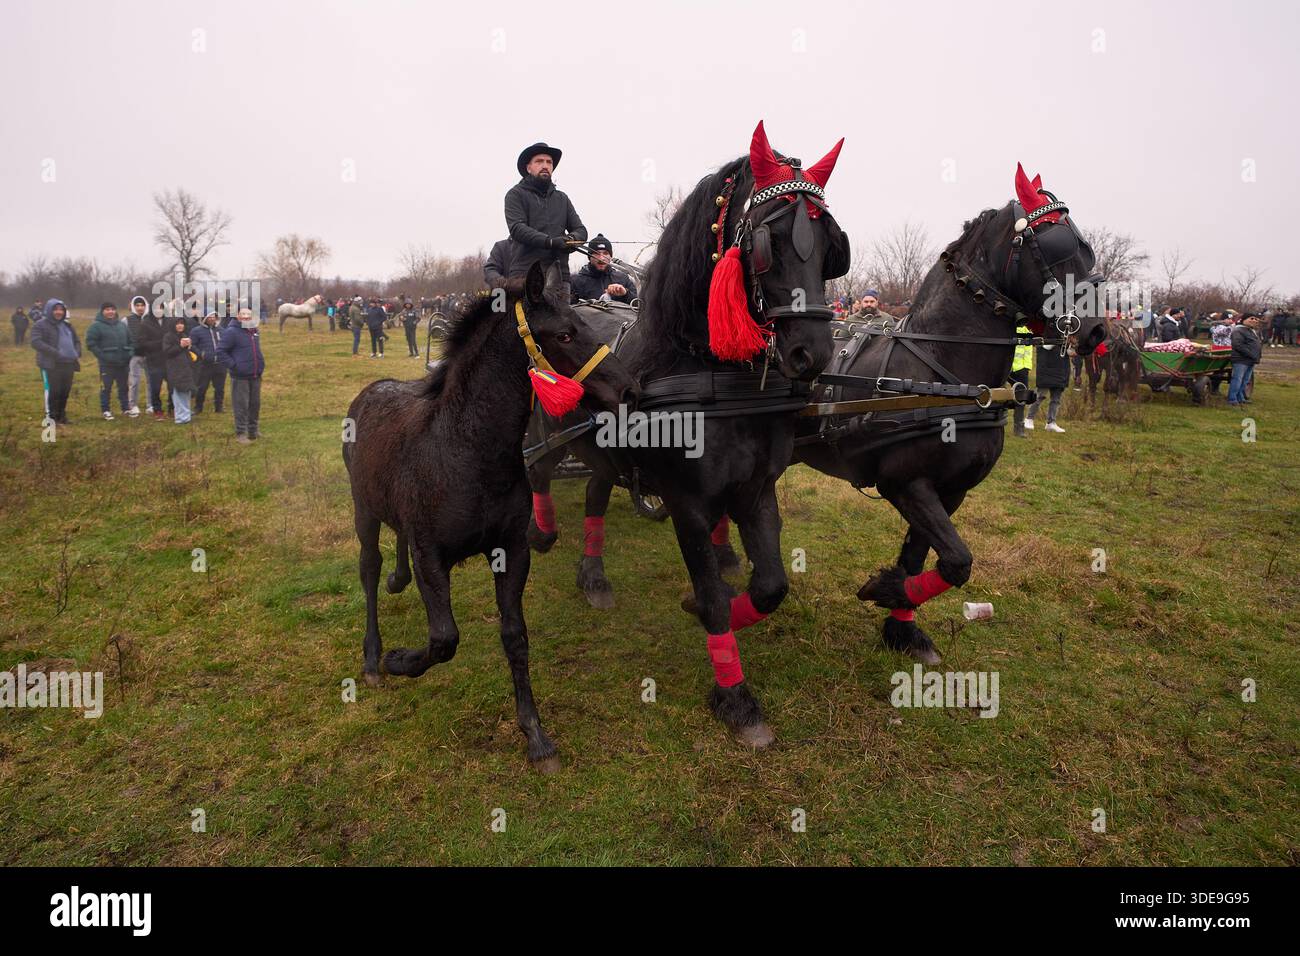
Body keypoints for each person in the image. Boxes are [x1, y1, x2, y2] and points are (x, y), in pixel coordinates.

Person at [504, 141, 586, 295]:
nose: (545, 165)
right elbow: (517, 228)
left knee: (563, 319)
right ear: (529, 168)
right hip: (526, 275)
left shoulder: (562, 198)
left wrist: (571, 239)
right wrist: (549, 241)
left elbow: (581, 230)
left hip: (560, 277)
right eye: (539, 161)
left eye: (549, 162)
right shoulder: (515, 194)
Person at [217, 306, 266, 443]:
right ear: (237, 316)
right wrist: (234, 366)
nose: (246, 316)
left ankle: (253, 431)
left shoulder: (254, 331)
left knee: (255, 404)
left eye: (248, 314)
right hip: (240, 376)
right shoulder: (231, 332)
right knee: (241, 405)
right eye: (243, 314)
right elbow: (221, 351)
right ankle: (241, 433)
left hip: (255, 374)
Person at [30, 298, 81, 425]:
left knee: (65, 391)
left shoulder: (67, 325)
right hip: (51, 364)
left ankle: (61, 416)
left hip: (69, 364)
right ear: (49, 310)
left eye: (61, 309)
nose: (59, 312)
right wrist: (55, 352)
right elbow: (35, 342)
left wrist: (76, 352)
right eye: (56, 309)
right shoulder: (40, 325)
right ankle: (51, 418)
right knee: (55, 391)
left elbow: (77, 341)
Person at [84, 301, 135, 420]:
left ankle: (125, 408)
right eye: (107, 309)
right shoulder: (96, 326)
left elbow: (131, 341)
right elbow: (91, 343)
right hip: (106, 364)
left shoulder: (122, 325)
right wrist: (102, 356)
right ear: (102, 312)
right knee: (106, 388)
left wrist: (130, 353)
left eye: (112, 309)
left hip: (123, 363)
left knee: (123, 387)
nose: (110, 312)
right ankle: (106, 410)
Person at [570, 234, 637, 303]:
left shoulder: (623, 279)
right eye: (596, 253)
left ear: (610, 256)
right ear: (589, 257)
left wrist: (625, 294)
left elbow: (637, 305)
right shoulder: (574, 281)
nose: (601, 258)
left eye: (605, 253)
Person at [133, 298, 170, 420]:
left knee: (173, 385)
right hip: (154, 360)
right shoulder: (145, 323)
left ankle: (172, 407)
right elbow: (142, 343)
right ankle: (157, 409)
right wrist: (161, 343)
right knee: (155, 387)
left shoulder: (169, 322)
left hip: (169, 359)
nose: (158, 310)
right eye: (155, 308)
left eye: (160, 307)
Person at [1025, 339, 1069, 433]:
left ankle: (1051, 422)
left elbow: (1071, 352)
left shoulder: (1066, 335)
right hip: (1047, 371)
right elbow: (1046, 346)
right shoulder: (1047, 336)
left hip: (1060, 369)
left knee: (1056, 400)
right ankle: (1029, 418)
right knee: (1039, 396)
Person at [163, 315, 198, 424]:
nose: (180, 325)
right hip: (175, 368)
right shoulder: (168, 336)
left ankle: (186, 414)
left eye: (182, 323)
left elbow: (187, 351)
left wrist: (189, 346)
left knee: (186, 391)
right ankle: (180, 417)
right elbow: (167, 352)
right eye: (177, 323)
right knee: (178, 392)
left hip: (186, 367)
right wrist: (180, 346)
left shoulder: (184, 335)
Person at [190, 310, 227, 413]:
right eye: (209, 317)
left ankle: (219, 407)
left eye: (213, 316)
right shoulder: (196, 331)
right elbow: (192, 345)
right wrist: (201, 354)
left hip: (220, 364)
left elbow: (226, 344)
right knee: (202, 387)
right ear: (204, 318)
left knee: (220, 387)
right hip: (205, 365)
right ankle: (198, 407)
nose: (211, 319)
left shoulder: (221, 330)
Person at [1227, 313, 1262, 406]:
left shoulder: (1251, 331)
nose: (1254, 320)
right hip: (1241, 359)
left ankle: (1241, 397)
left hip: (1250, 359)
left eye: (1255, 319)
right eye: (1251, 318)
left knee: (1245, 380)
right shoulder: (1238, 330)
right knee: (1237, 379)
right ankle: (1232, 399)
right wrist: (1250, 354)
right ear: (1244, 319)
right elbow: (1237, 345)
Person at [1009, 324, 1033, 437]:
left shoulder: (1028, 330)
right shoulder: (1010, 326)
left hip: (1021, 369)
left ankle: (1019, 428)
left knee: (1022, 398)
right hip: (1007, 367)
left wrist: (1026, 367)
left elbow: (1028, 351)